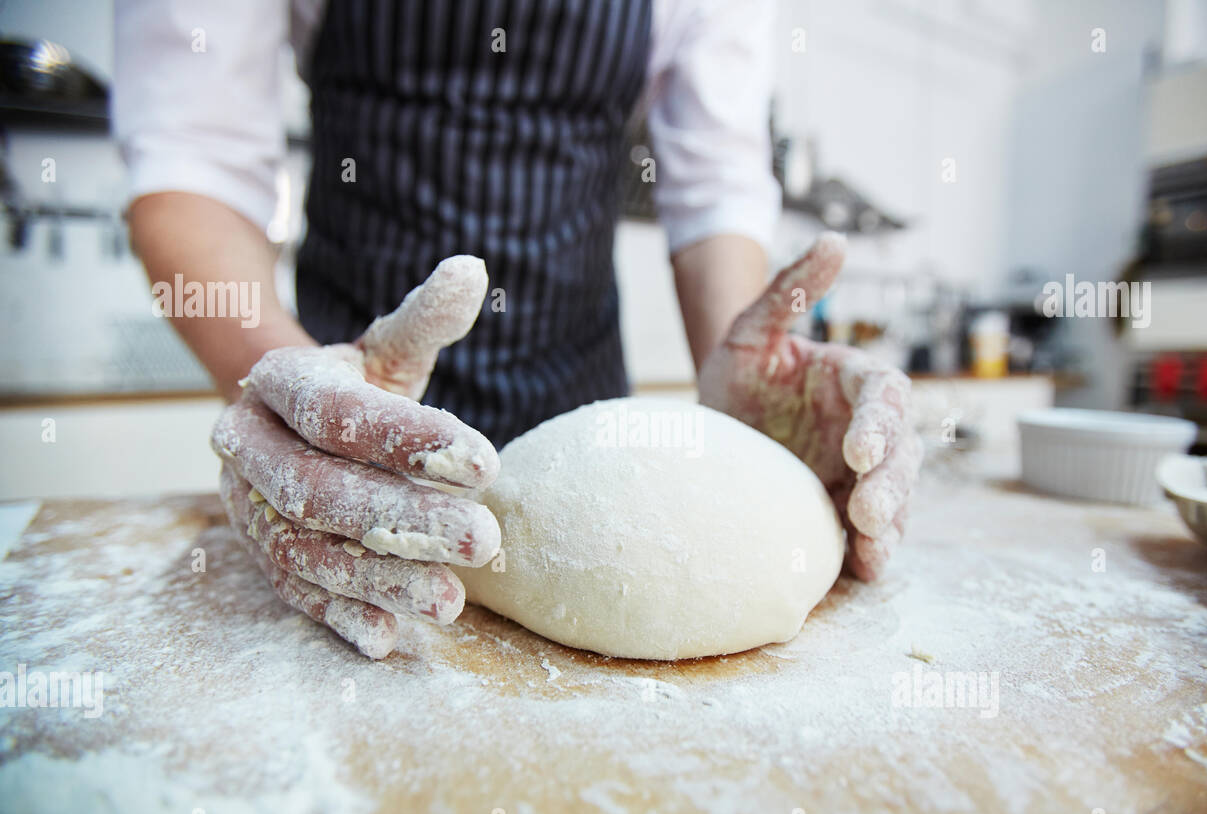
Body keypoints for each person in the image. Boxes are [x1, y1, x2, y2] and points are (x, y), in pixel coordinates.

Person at [113, 0, 921, 654]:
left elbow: (715, 178)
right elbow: (194, 157)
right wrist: (299, 402)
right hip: (353, 438)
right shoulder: (334, 434)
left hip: (590, 445)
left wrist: (748, 379)